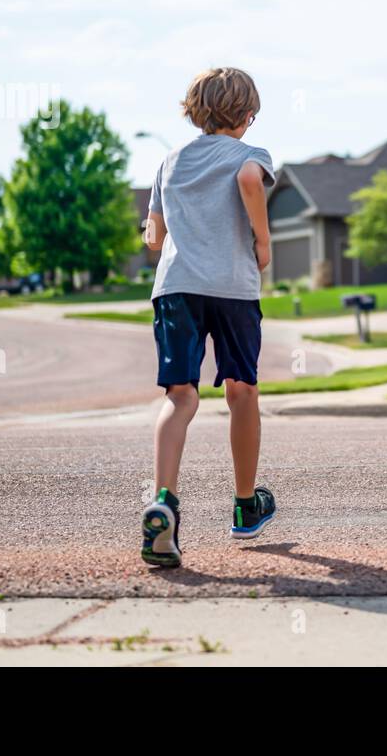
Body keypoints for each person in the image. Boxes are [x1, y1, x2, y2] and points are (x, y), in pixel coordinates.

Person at [139, 67, 276, 567]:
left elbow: (153, 238)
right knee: (241, 391)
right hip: (233, 289)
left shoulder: (168, 163)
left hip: (176, 288)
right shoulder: (250, 156)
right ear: (246, 116)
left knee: (180, 396)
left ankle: (163, 503)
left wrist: (156, 229)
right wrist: (262, 240)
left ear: (195, 111)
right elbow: (247, 181)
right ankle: (244, 507)